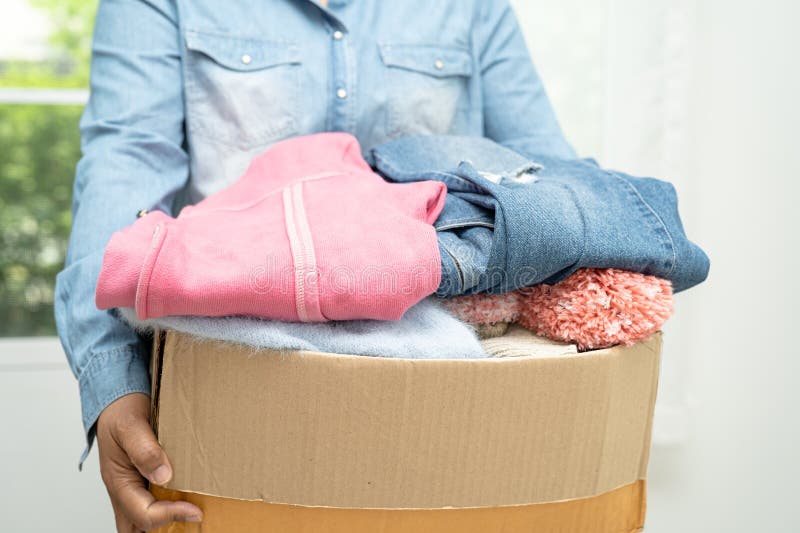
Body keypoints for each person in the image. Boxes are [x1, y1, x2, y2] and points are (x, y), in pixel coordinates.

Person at [55, 0, 575, 530]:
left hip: (438, 401)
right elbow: (126, 161)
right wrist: (113, 381)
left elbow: (543, 169)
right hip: (231, 393)